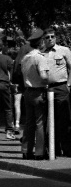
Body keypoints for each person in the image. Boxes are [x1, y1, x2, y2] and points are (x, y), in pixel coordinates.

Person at [41, 27, 71, 157]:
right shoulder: (41, 53)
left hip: (61, 87)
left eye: (52, 36)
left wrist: (69, 84)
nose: (50, 39)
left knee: (64, 119)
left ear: (56, 37)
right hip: (46, 89)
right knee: (48, 120)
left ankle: (67, 148)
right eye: (47, 37)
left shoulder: (64, 50)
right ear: (44, 39)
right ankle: (54, 149)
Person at [19, 29, 48, 159]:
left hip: (27, 92)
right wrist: (49, 78)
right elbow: (43, 76)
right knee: (40, 123)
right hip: (38, 91)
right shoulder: (39, 58)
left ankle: (26, 150)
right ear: (41, 42)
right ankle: (40, 152)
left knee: (28, 123)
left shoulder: (25, 58)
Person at [0, 38, 16, 142]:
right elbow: (11, 73)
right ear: (3, 47)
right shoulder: (7, 58)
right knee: (8, 108)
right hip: (5, 84)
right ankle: (9, 132)